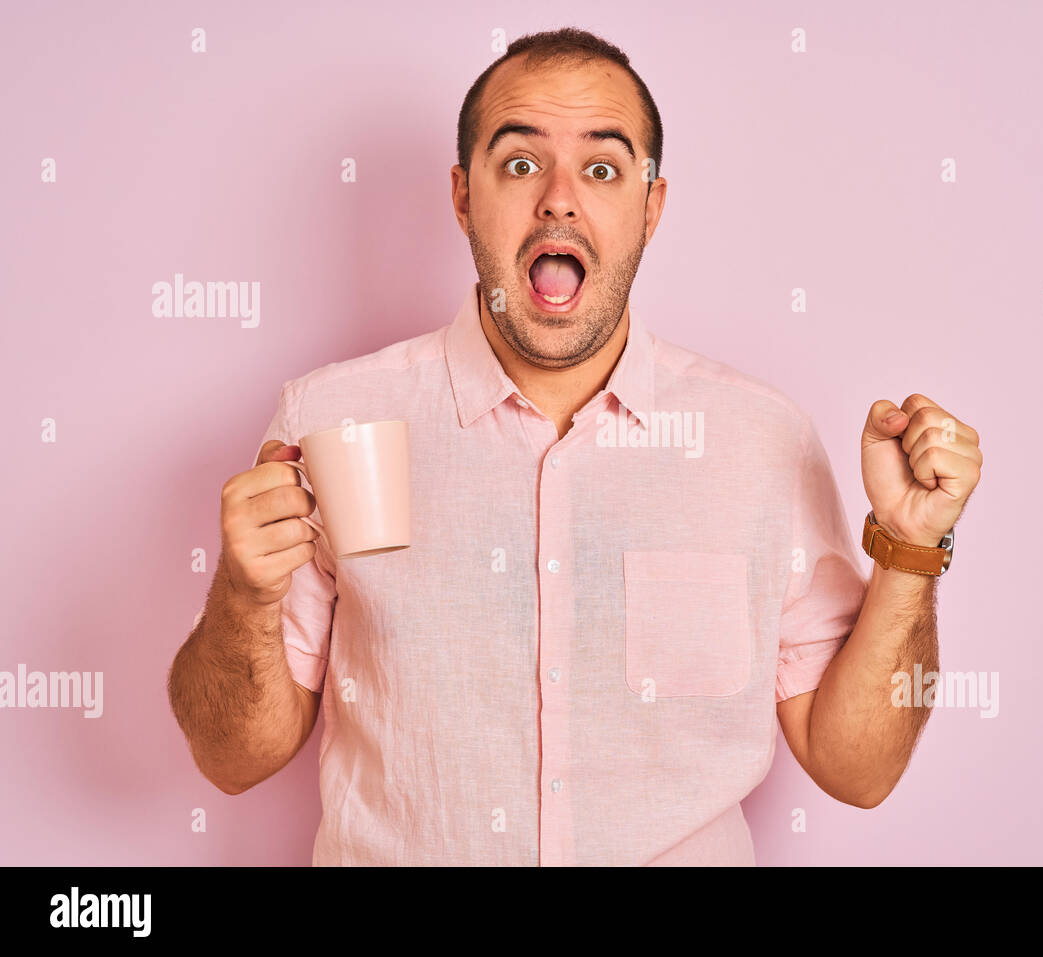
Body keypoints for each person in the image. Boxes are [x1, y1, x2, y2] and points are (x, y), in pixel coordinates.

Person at [167, 26, 983, 866]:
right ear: (461, 195)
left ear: (650, 207)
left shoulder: (760, 439)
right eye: (520, 164)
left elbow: (859, 768)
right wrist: (245, 593)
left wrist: (912, 550)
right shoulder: (330, 418)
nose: (559, 198)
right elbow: (233, 759)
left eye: (602, 168)